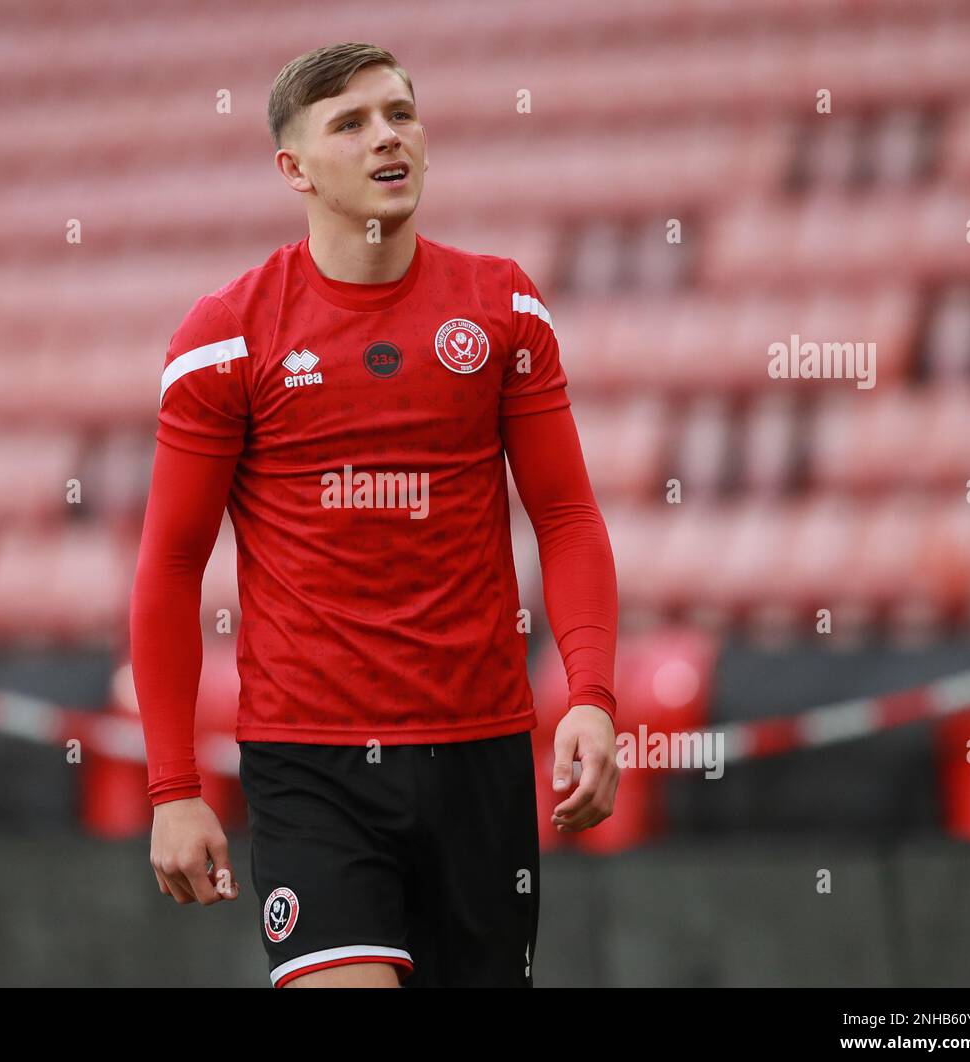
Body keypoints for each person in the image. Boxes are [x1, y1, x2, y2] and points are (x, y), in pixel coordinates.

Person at [130, 41, 620, 988]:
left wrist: (592, 695)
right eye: (350, 124)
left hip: (480, 751)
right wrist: (173, 788)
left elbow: (565, 514)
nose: (386, 138)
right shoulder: (225, 338)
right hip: (311, 766)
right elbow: (169, 566)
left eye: (400, 114)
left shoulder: (503, 305)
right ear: (295, 168)